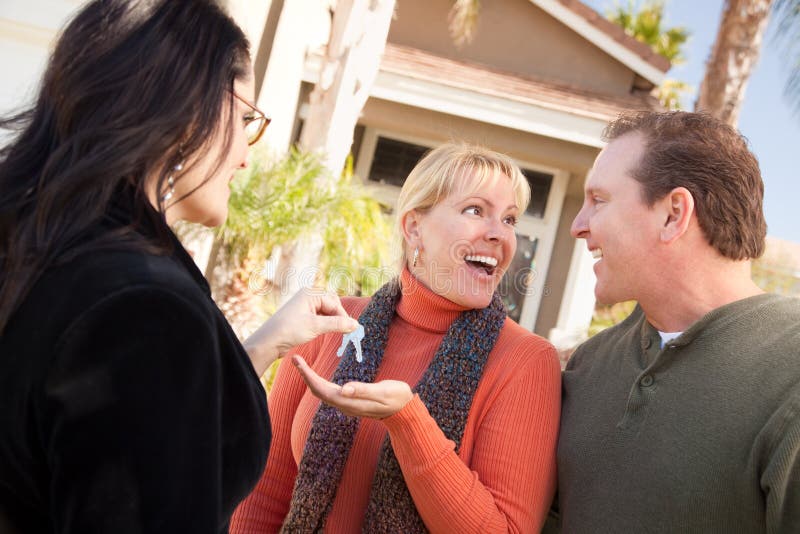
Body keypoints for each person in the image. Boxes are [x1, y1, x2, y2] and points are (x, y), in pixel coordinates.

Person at [0, 1, 358, 532]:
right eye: (246, 120)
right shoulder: (145, 307)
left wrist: (257, 348)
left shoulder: (43, 248)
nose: (245, 154)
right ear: (189, 104)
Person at [230, 143, 562, 533]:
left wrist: (408, 422)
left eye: (509, 220)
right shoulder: (330, 323)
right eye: (476, 211)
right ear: (413, 227)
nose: (499, 235)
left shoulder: (526, 361)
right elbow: (264, 494)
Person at [554, 111, 800, 533]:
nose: (579, 226)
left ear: (673, 214)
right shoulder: (589, 364)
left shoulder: (790, 371)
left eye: (598, 200)